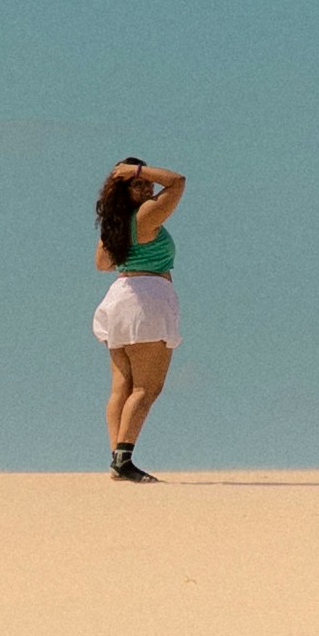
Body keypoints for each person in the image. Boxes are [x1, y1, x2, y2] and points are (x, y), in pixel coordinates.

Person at [90, 157, 186, 481]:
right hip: (147, 301)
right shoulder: (145, 216)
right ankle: (124, 459)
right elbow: (178, 182)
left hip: (120, 298)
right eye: (139, 184)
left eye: (147, 183)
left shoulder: (116, 223)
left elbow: (102, 264)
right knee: (147, 387)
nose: (147, 188)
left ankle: (116, 457)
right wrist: (139, 169)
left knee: (122, 386)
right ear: (125, 188)